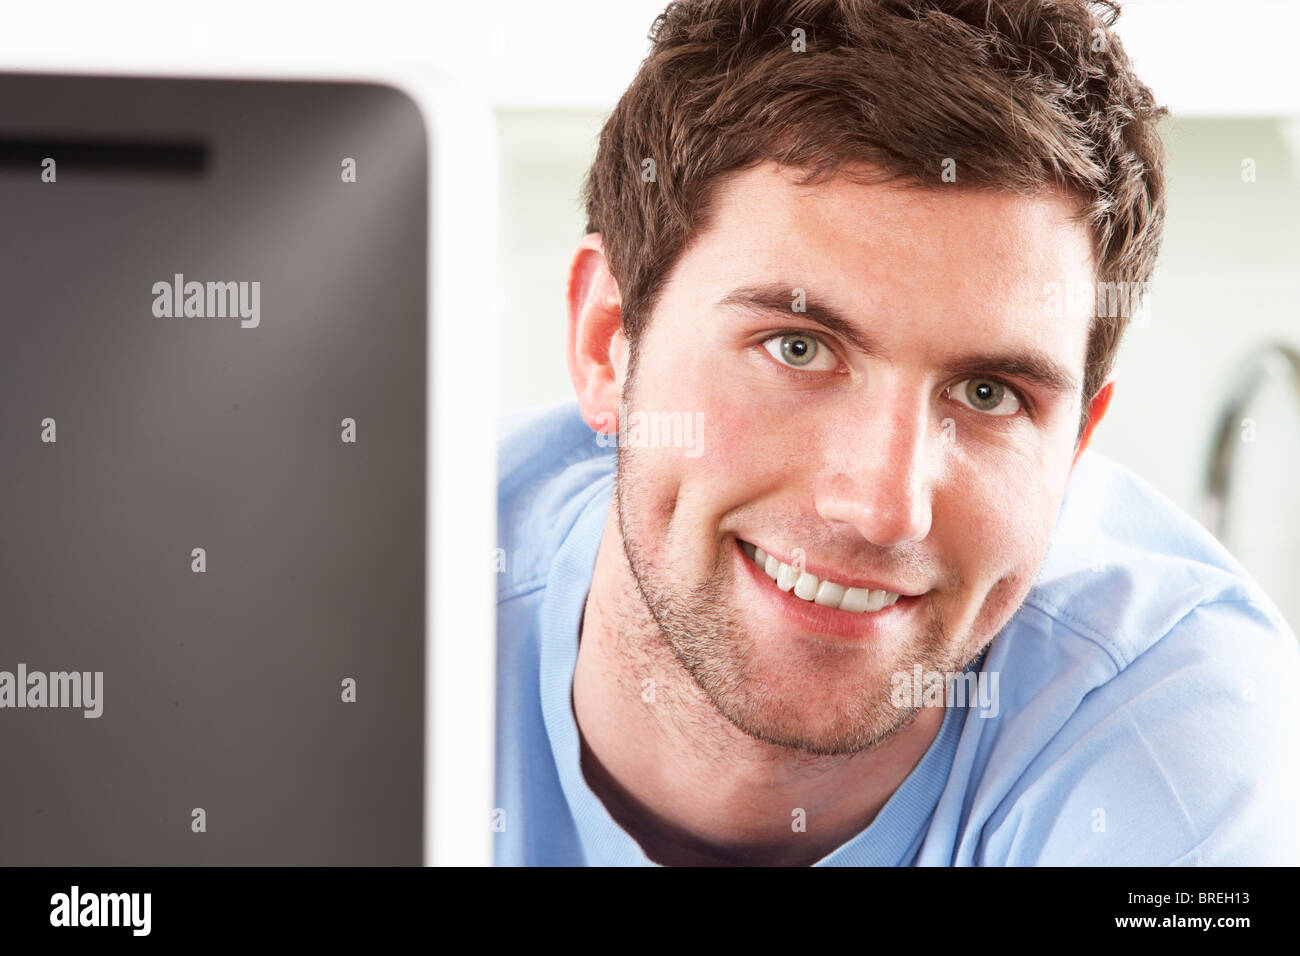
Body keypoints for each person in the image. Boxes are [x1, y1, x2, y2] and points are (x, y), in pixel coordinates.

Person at [494, 0, 1300, 865]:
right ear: (604, 341)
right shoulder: (380, 605)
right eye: (797, 348)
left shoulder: (1179, 749)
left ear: (1073, 448)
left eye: (989, 394)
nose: (883, 506)